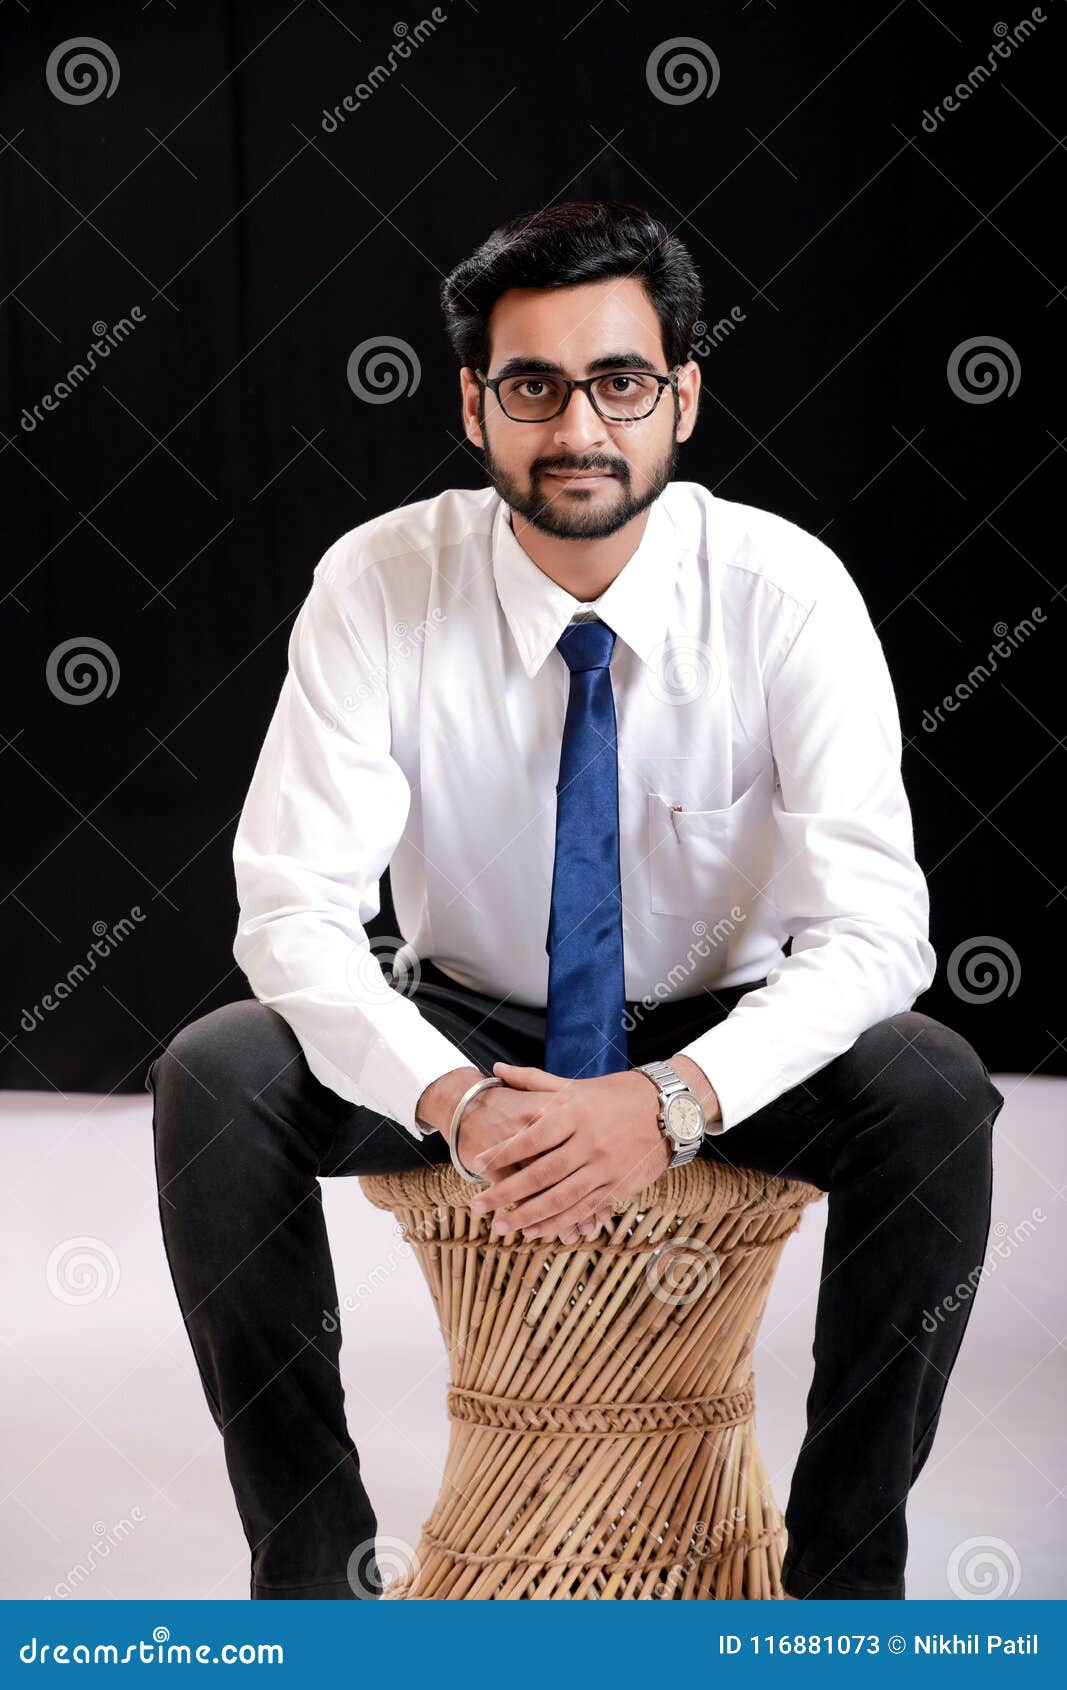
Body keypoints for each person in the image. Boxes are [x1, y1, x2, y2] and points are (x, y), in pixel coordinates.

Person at [146, 200, 1005, 1602]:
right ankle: (313, 1577)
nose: (580, 428)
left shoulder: (786, 592)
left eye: (621, 382)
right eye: (534, 386)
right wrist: (455, 1098)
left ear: (684, 396)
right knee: (212, 1077)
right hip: (467, 1014)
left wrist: (672, 1099)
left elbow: (875, 932)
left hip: (717, 1017)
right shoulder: (376, 584)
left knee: (933, 1087)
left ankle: (848, 1589)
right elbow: (292, 907)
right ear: (475, 405)